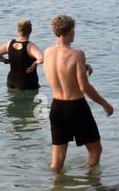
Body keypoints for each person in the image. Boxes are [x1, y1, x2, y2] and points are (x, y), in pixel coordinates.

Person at [42, 14, 113, 170]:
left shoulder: (47, 53)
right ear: (70, 31)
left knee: (57, 159)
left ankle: (56, 190)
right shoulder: (77, 54)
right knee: (95, 150)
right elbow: (84, 86)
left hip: (56, 108)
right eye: (74, 30)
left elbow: (60, 68)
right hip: (76, 108)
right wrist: (105, 104)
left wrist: (82, 66)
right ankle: (92, 184)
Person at [0, 20, 44, 90]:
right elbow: (42, 58)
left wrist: (6, 61)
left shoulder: (10, 43)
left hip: (11, 81)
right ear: (30, 30)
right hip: (27, 83)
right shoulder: (30, 46)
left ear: (18, 31)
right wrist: (34, 64)